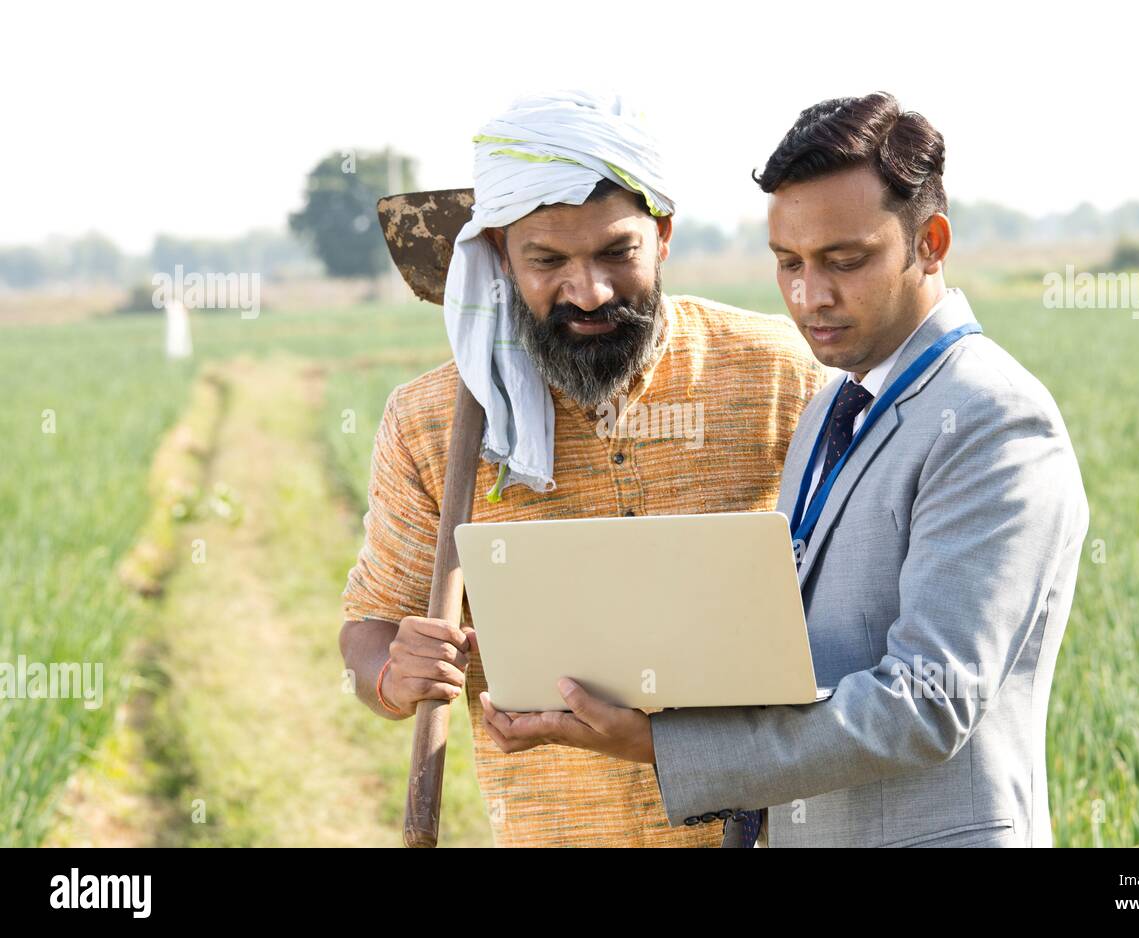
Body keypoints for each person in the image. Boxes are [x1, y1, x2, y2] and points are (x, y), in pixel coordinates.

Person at [481, 92, 1090, 848]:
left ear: (930, 241)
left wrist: (660, 747)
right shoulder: (835, 400)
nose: (811, 296)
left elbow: (930, 702)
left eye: (846, 261)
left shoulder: (991, 417)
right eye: (789, 263)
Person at [338, 90, 829, 847]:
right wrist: (392, 673)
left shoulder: (778, 375)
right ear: (501, 255)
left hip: (774, 827)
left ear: (662, 236)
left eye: (615, 253)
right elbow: (369, 625)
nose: (589, 291)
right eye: (548, 261)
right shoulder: (432, 424)